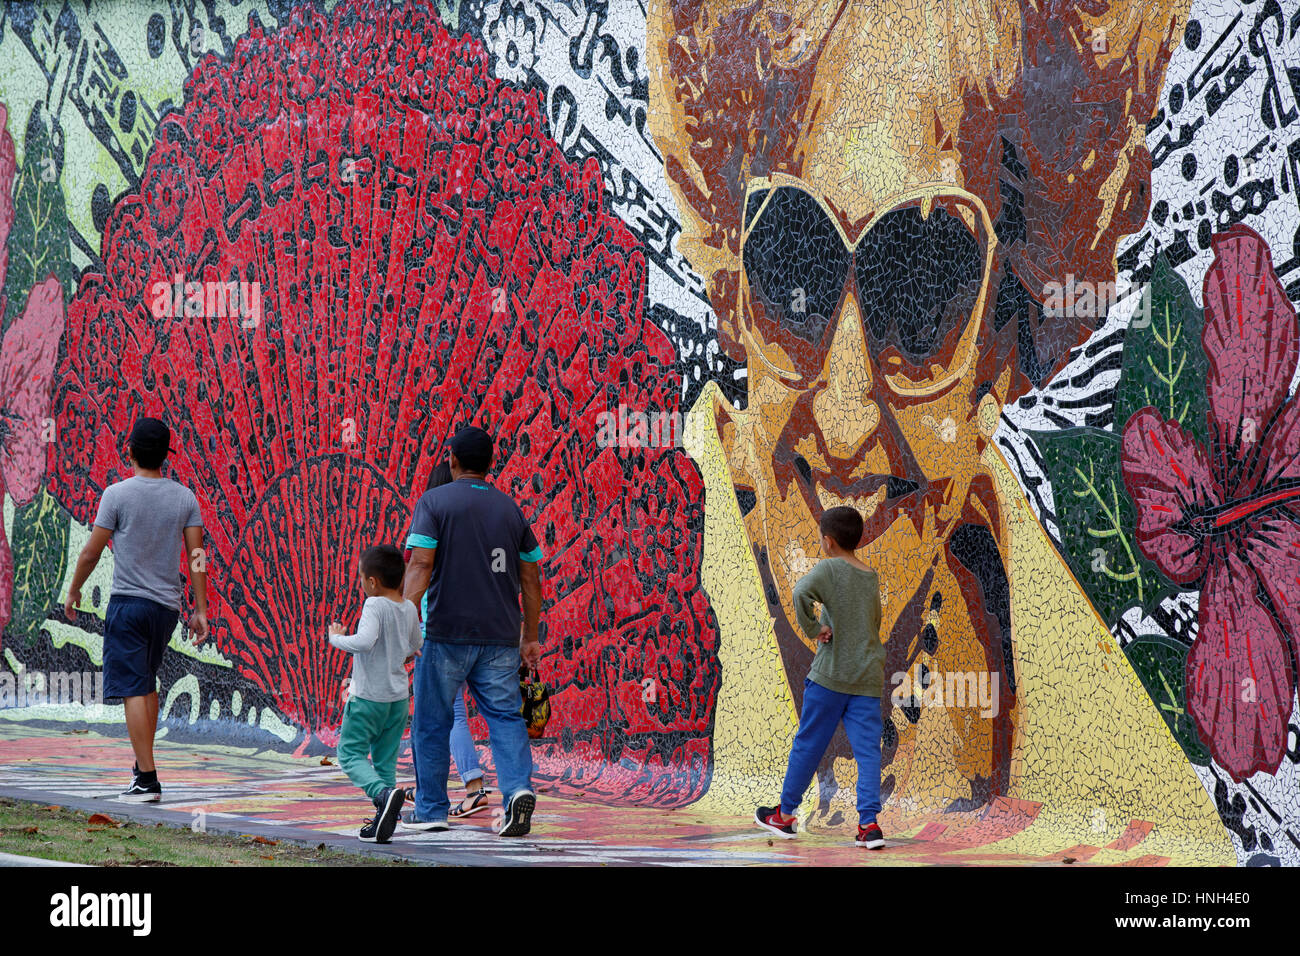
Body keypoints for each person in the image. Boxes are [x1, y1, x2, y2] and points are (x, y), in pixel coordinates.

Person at [401, 426, 543, 837]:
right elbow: (531, 576)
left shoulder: (434, 502)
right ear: (490, 464)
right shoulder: (510, 509)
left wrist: (407, 626)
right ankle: (517, 792)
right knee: (504, 717)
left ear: (452, 460)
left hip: (445, 633)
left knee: (431, 720)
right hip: (500, 636)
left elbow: (421, 565)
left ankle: (430, 810)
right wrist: (529, 636)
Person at [62, 417, 208, 802]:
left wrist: (74, 590)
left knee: (133, 688)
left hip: (127, 604)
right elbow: (196, 556)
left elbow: (92, 551)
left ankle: (147, 777)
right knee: (147, 684)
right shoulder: (184, 498)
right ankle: (143, 767)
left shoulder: (116, 495)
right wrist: (200, 609)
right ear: (166, 457)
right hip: (165, 610)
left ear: (129, 451)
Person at [755, 505, 885, 848]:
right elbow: (874, 622)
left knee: (809, 744)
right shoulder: (869, 575)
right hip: (867, 678)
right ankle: (869, 825)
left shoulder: (829, 569)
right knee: (869, 752)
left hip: (830, 676)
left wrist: (816, 628)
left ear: (828, 542)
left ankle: (783, 815)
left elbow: (800, 593)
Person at [407, 460, 491, 819]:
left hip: (437, 633)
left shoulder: (433, 522)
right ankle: (438, 787)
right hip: (480, 630)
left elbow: (418, 572)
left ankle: (468, 787)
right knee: (454, 713)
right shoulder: (474, 530)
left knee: (440, 716)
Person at [327, 545, 423, 843]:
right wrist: (400, 653)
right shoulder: (408, 607)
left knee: (349, 753)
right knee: (385, 762)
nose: (361, 583)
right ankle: (385, 821)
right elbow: (415, 644)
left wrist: (337, 638)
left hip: (368, 698)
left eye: (360, 578)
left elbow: (366, 642)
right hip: (397, 701)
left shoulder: (374, 605)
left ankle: (381, 795)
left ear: (372, 583)